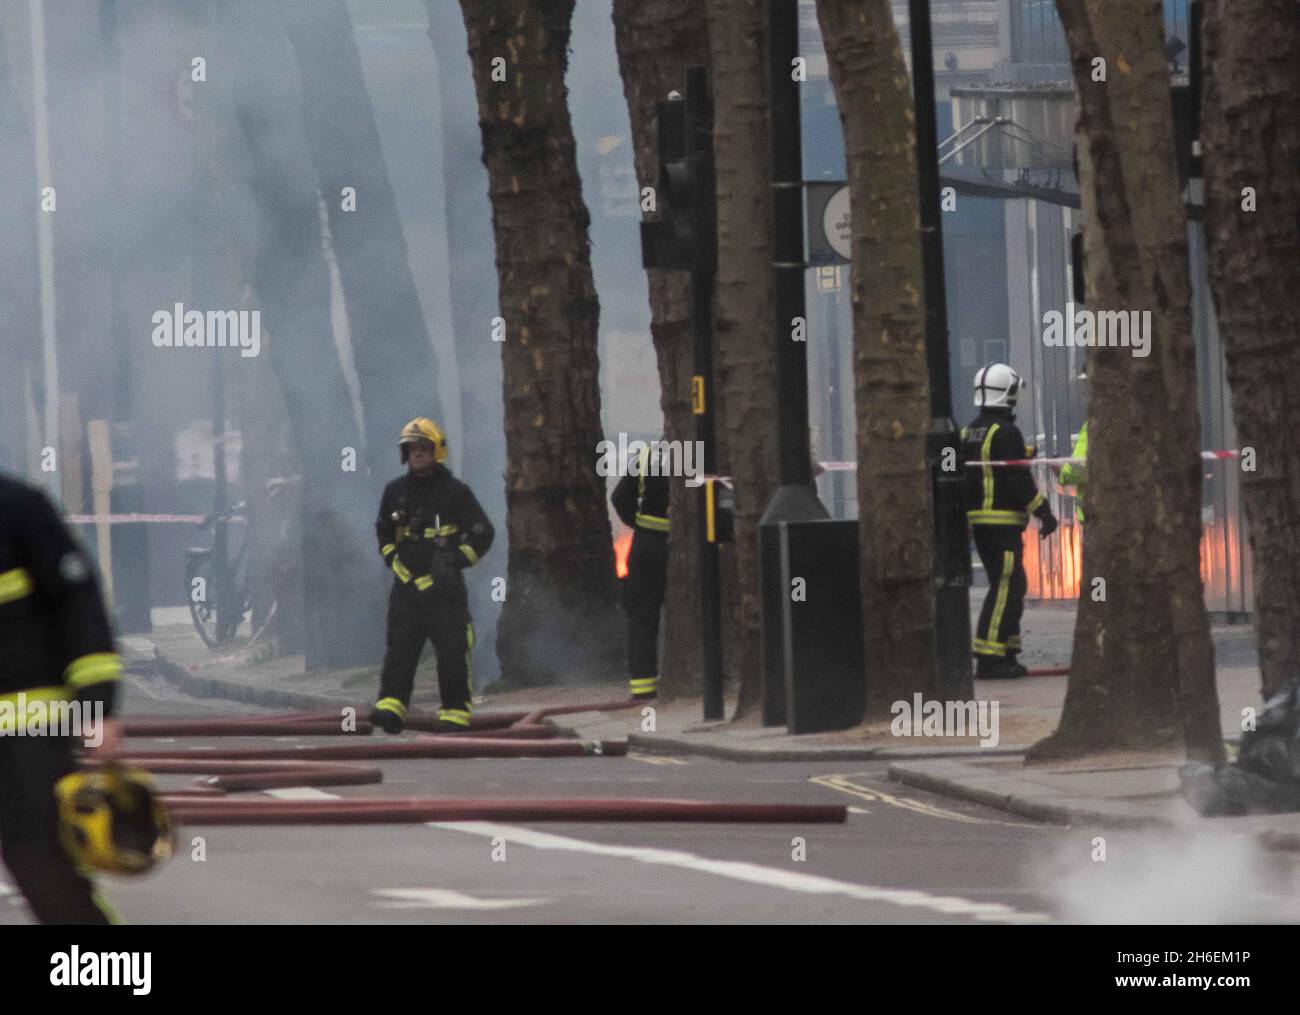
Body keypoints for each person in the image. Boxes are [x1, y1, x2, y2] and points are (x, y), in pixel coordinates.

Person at [0, 472, 123, 923]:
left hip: (28, 731)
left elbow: (78, 604)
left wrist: (96, 708)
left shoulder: (17, 507)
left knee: (42, 863)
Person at [369, 418, 494, 734]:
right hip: (407, 590)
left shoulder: (456, 493)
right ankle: (391, 707)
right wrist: (395, 561)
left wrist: (455, 561)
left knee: (452, 651)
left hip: (445, 592)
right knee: (400, 649)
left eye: (423, 448)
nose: (417, 454)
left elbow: (483, 532)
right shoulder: (395, 492)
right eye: (412, 449)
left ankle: (454, 713)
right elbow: (384, 532)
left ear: (436, 451)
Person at [962, 364, 1058, 679]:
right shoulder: (1006, 432)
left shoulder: (970, 431)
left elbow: (994, 464)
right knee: (1006, 586)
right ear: (1009, 393)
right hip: (1001, 523)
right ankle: (990, 656)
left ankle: (1007, 652)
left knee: (1012, 585)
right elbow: (1016, 479)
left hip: (982, 524)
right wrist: (1043, 511)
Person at [611, 440, 669, 700]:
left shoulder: (649, 455)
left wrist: (641, 523)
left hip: (646, 547)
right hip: (684, 549)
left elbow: (619, 497)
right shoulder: (702, 453)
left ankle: (643, 687)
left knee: (643, 617)